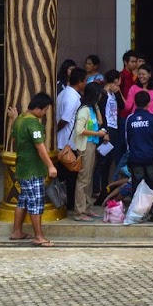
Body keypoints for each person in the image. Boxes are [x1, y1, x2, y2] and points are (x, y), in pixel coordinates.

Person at [9, 92, 57, 246]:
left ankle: (17, 231)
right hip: (33, 169)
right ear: (37, 108)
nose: (44, 114)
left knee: (22, 201)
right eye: (44, 110)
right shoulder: (34, 124)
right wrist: (50, 165)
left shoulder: (19, 120)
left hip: (22, 167)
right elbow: (40, 146)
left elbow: (14, 138)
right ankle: (39, 237)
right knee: (36, 202)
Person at [70, 81, 107, 219]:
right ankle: (79, 211)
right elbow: (79, 130)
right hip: (85, 147)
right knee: (83, 180)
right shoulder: (84, 110)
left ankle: (86, 207)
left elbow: (100, 122)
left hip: (92, 145)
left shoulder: (91, 108)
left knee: (88, 178)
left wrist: (96, 107)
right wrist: (98, 134)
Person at [54, 71, 86, 203]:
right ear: (80, 82)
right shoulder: (73, 98)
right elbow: (65, 119)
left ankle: (62, 201)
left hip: (62, 141)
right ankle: (69, 204)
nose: (85, 84)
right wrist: (55, 131)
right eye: (84, 81)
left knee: (62, 175)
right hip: (68, 142)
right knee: (71, 176)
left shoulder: (63, 93)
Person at [123, 89, 153, 192]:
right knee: (152, 183)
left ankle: (138, 207)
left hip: (135, 157)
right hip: (151, 157)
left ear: (135, 103)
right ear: (149, 103)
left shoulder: (130, 119)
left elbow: (127, 139)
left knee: (137, 184)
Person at [94, 70, 123, 196]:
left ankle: (104, 188)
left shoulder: (114, 94)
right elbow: (100, 113)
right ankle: (98, 189)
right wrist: (104, 131)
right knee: (102, 160)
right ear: (115, 80)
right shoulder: (103, 94)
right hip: (107, 129)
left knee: (109, 160)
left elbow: (122, 106)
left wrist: (118, 93)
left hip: (114, 128)